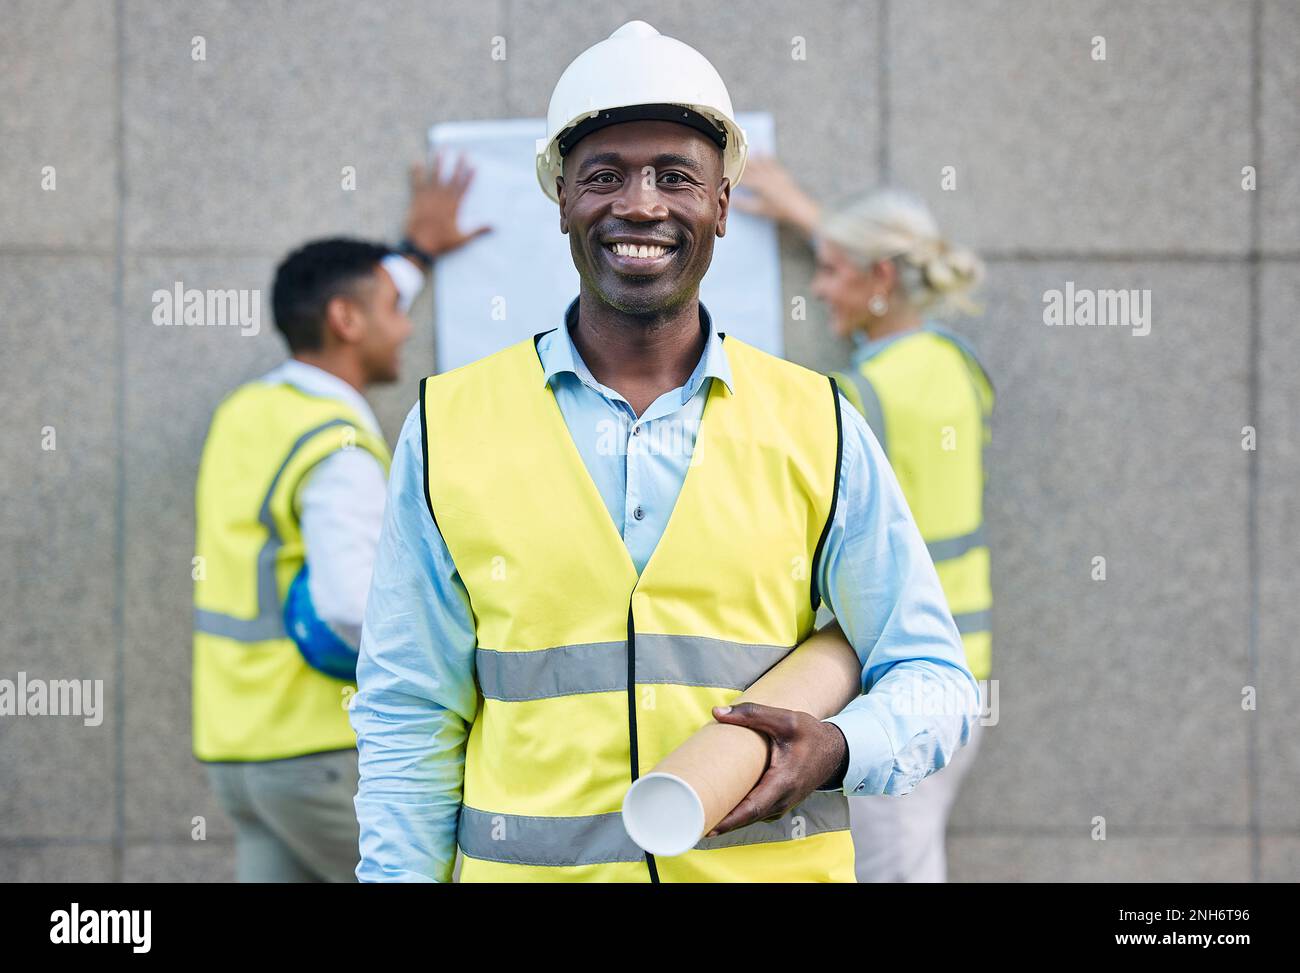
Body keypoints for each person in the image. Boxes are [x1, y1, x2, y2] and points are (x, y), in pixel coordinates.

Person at [350, 20, 979, 883]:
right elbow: (408, 715)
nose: (640, 203)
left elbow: (934, 674)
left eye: (675, 177)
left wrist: (840, 745)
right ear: (563, 199)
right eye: (604, 175)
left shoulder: (818, 423)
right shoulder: (450, 424)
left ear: (721, 204)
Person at [191, 156, 489, 882]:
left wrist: (412, 257)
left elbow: (352, 299)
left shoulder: (251, 412)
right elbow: (350, 601)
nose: (406, 328)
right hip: (316, 754)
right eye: (394, 308)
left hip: (241, 754)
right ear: (346, 319)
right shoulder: (338, 446)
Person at [736, 161, 994, 882]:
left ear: (879, 275)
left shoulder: (857, 400)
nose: (818, 288)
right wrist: (811, 218)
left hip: (894, 680)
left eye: (829, 269)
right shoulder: (956, 365)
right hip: (958, 673)